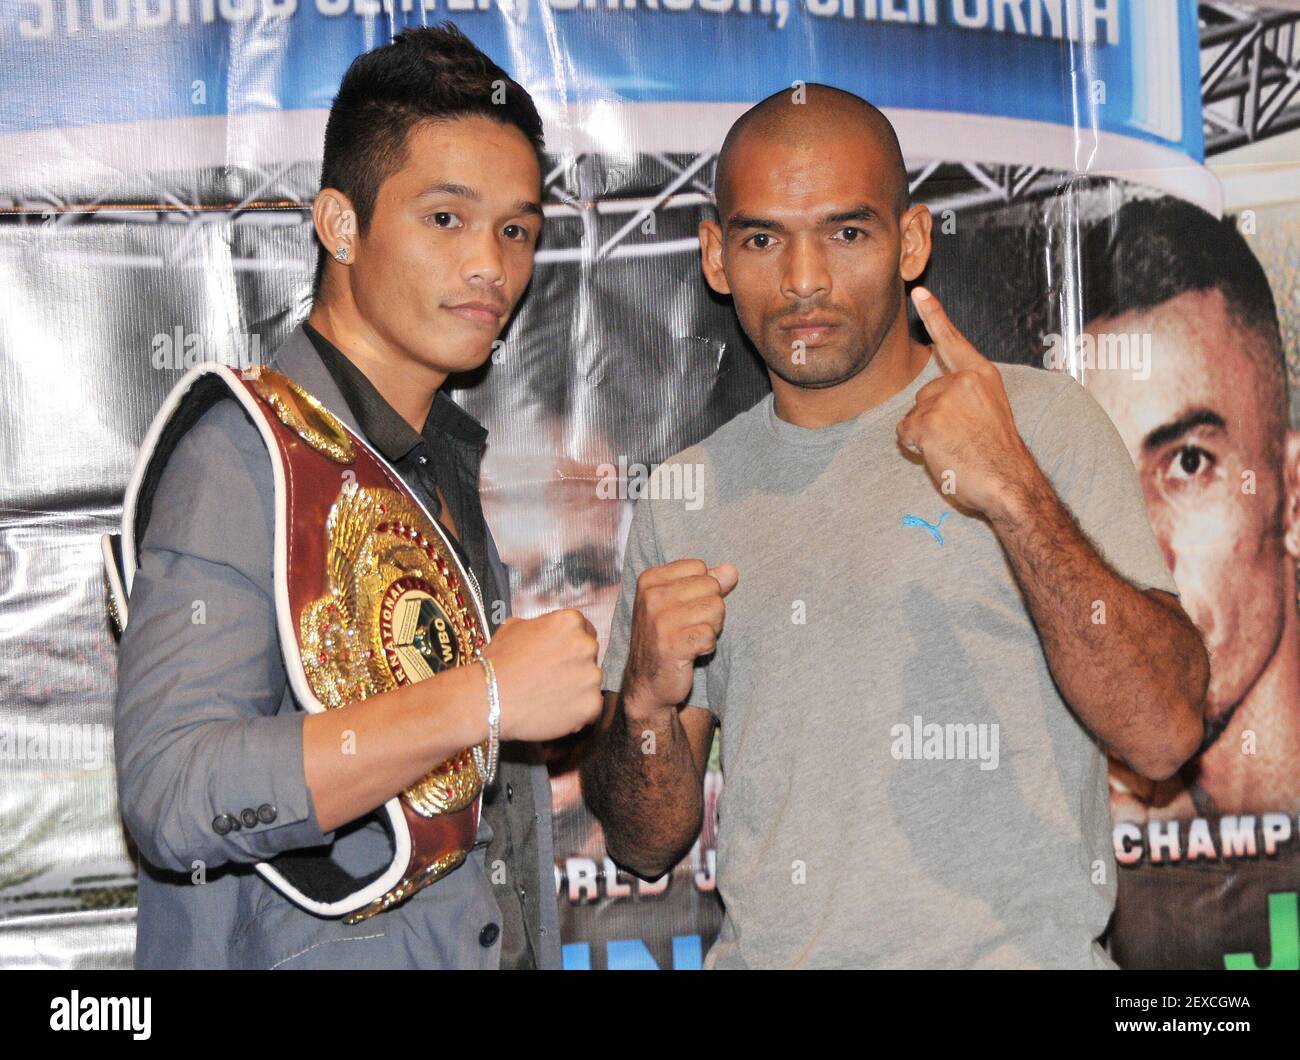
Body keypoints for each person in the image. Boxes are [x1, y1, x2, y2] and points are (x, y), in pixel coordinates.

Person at [581, 84, 1209, 969]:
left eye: (847, 232)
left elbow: (1166, 731)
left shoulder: (1037, 423)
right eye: (764, 238)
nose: (805, 281)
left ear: (911, 241)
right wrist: (645, 700)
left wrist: (1016, 493)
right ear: (716, 259)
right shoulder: (685, 495)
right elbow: (645, 846)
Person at [113, 23, 601, 969]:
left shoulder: (433, 457)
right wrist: (484, 696)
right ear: (340, 224)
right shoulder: (247, 456)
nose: (490, 267)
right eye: (446, 219)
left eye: (516, 231)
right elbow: (171, 794)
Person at [1073, 196, 1300, 969]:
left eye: (1189, 464)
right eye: (1094, 485)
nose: (1138, 554)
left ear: (1293, 495)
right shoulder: (1061, 834)